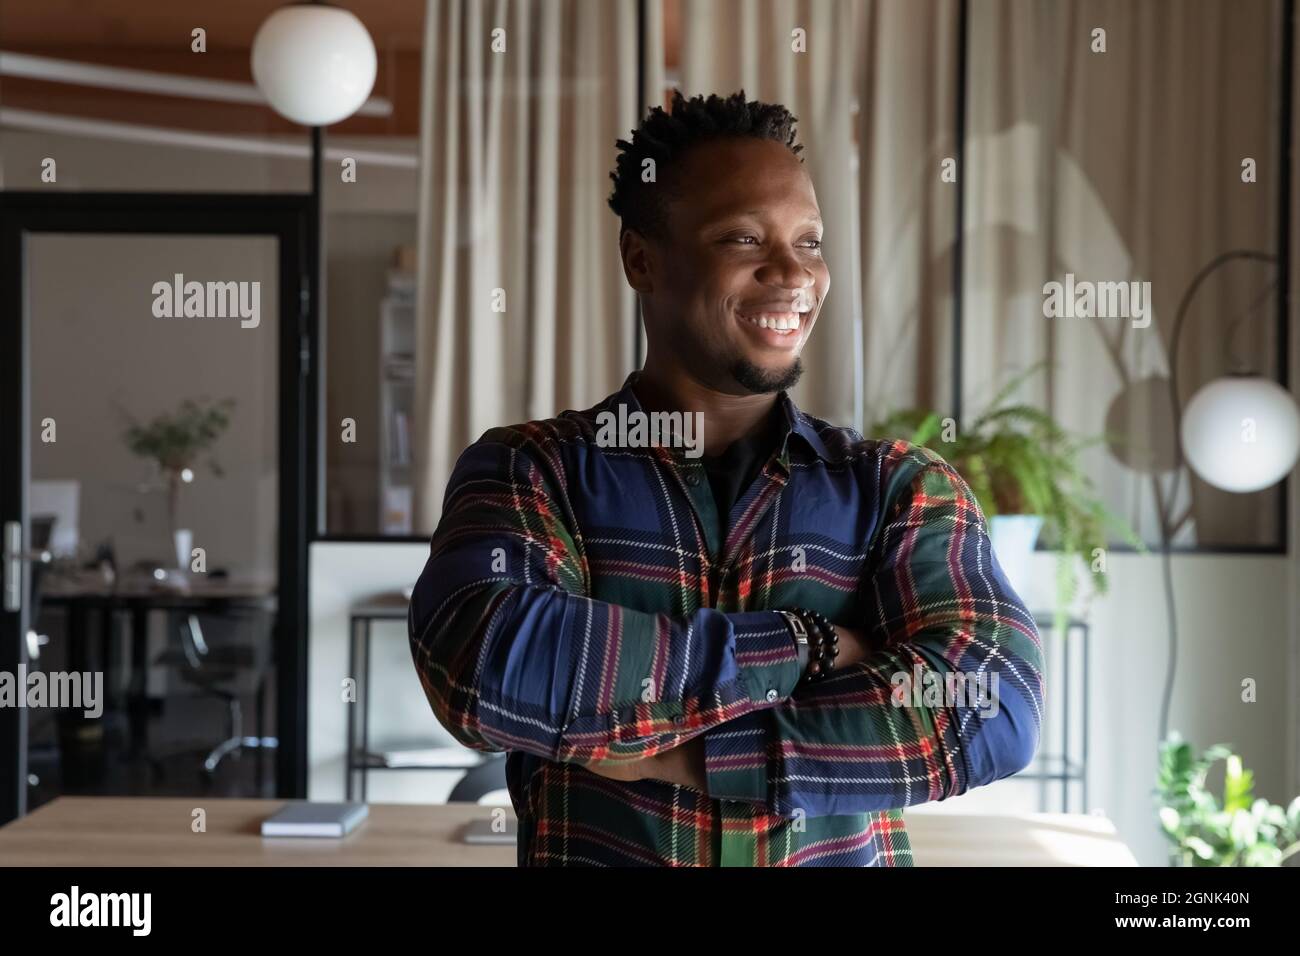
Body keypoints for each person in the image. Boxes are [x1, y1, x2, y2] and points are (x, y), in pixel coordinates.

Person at [408, 89, 1045, 866]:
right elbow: (487, 666)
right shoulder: (530, 470)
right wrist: (809, 647)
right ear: (641, 259)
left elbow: (993, 706)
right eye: (743, 238)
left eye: (809, 242)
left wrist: (676, 755)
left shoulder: (898, 489)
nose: (792, 272)